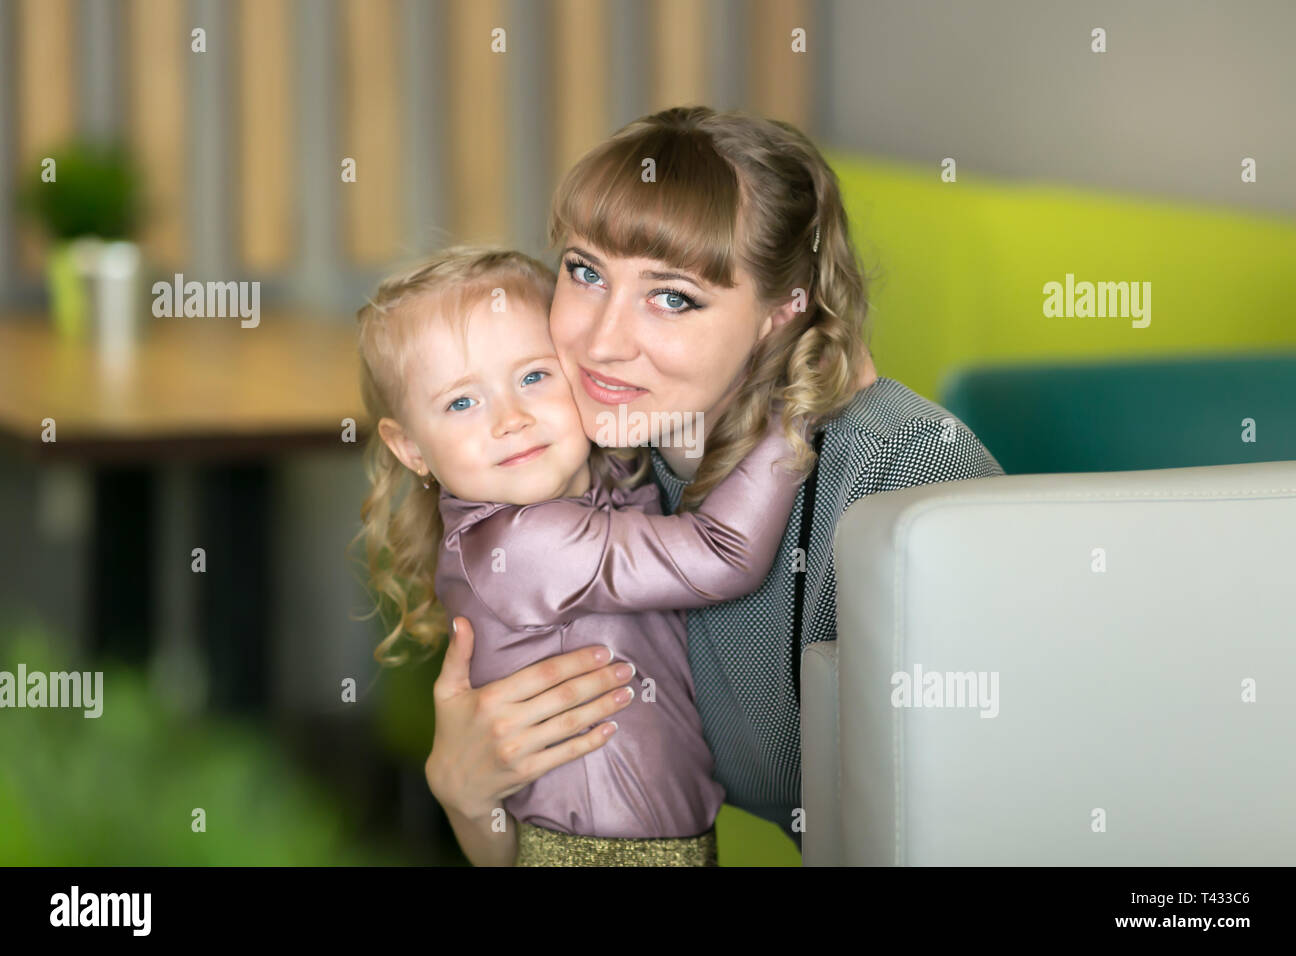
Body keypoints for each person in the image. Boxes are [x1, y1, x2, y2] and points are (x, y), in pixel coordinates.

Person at [425, 107, 1005, 866]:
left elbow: (988, 819)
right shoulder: (576, 463)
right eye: (585, 271)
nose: (601, 341)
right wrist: (465, 795)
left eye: (673, 297)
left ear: (781, 312)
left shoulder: (901, 473)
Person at [353, 245, 810, 865]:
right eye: (463, 401)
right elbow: (723, 554)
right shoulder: (519, 544)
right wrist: (798, 405)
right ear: (410, 448)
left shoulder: (601, 477)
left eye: (533, 376)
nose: (510, 419)